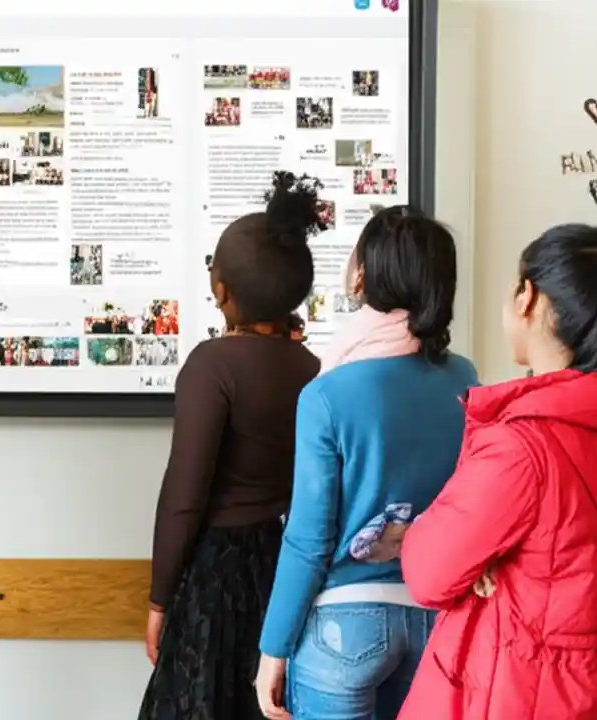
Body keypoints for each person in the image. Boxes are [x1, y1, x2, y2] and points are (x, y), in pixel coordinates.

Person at [398, 224, 597, 719]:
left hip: (523, 695)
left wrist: (485, 558)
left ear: (528, 296)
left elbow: (429, 573)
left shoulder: (523, 447)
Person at [255, 207, 478, 720]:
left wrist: (273, 650)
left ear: (363, 275)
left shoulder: (327, 394)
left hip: (342, 625)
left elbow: (309, 539)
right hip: (438, 618)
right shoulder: (465, 380)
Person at [139, 172, 323, 720]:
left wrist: (159, 598)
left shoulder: (212, 366)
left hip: (215, 580)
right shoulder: (313, 368)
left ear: (221, 292)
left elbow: (184, 496)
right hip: (282, 567)